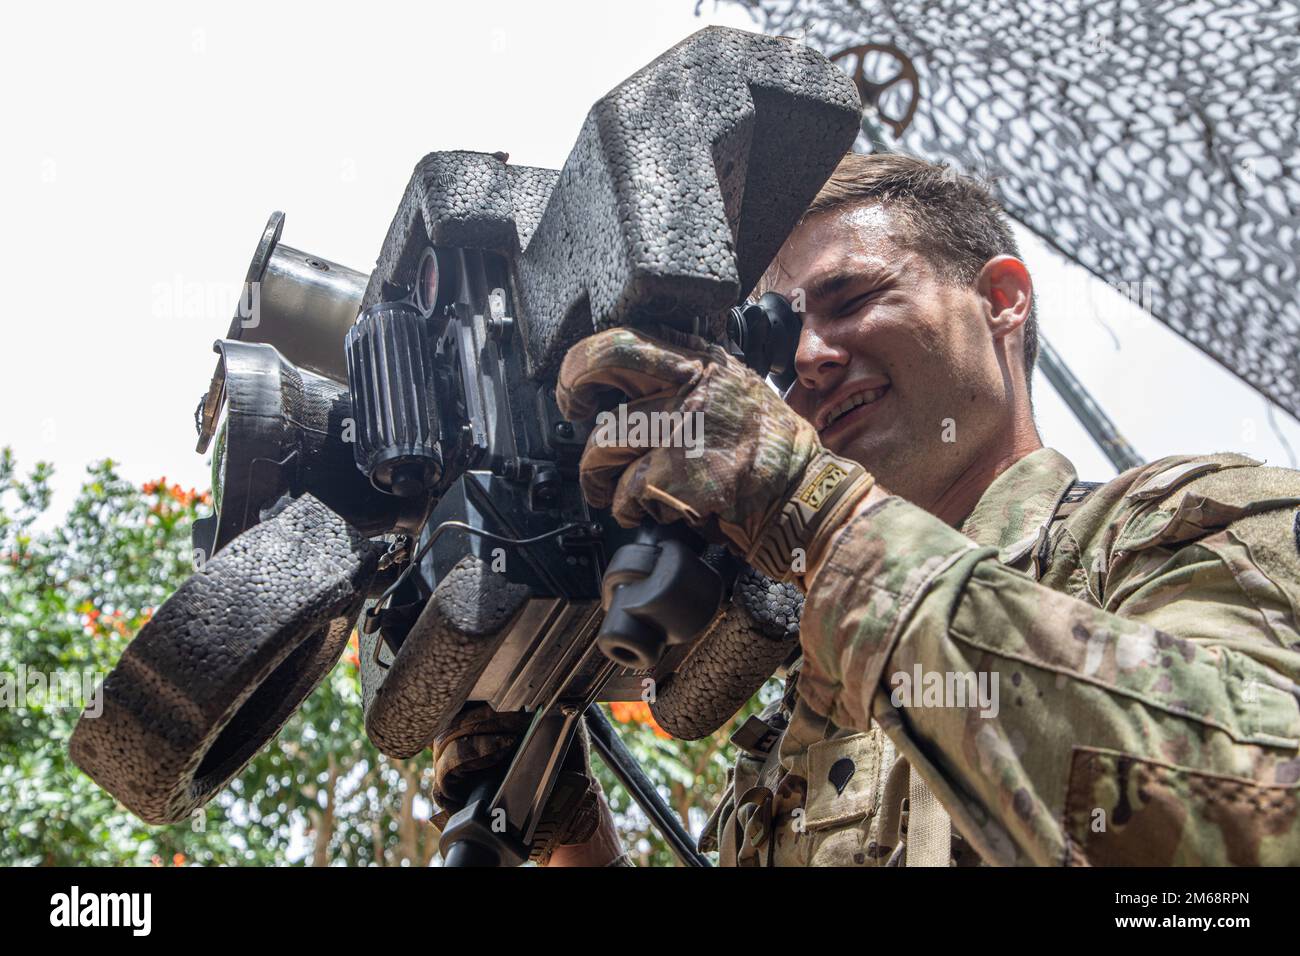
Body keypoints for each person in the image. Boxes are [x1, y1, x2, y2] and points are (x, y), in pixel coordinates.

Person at [434, 151, 1300, 866]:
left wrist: (819, 516)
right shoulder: (805, 708)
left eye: (851, 300)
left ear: (1002, 300)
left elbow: (1251, 829)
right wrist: (560, 822)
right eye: (778, 336)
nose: (809, 356)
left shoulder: (1183, 529)